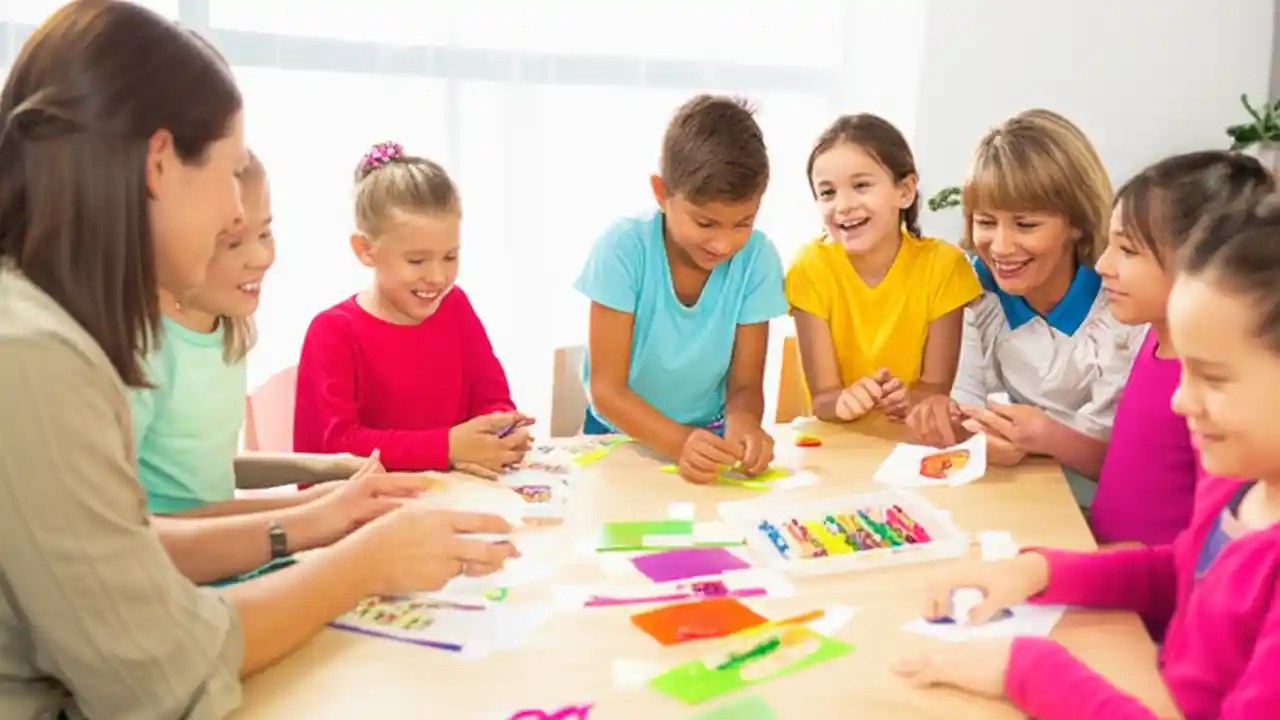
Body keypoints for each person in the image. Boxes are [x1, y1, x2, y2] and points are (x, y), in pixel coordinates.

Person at [0, 3, 513, 717]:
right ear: (158, 165)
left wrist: (313, 522)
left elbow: (123, 546)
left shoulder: (48, 326)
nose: (235, 222)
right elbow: (164, 672)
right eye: (231, 171)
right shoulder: (31, 357)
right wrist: (363, 563)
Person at [894, 191, 1280, 720]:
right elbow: (1184, 573)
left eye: (1213, 377)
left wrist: (1023, 668)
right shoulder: (1239, 484)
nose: (1180, 399)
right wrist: (1035, 572)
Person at [131, 151, 411, 584]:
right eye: (232, 242)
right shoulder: (143, 353)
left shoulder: (227, 331)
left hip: (229, 560)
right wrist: (317, 509)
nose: (261, 257)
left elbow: (206, 469)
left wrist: (329, 469)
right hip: (179, 580)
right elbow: (156, 522)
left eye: (265, 233)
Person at [908, 109, 1144, 498]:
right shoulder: (972, 295)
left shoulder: (1121, 309)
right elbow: (965, 406)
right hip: (1005, 497)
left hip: (1094, 512)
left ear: (1077, 222)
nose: (1000, 247)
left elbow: (1127, 466)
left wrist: (1045, 437)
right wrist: (944, 418)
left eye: (1026, 225)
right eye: (986, 222)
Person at [574, 94, 788, 484]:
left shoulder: (758, 259)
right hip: (616, 438)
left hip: (708, 437)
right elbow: (606, 390)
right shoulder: (623, 248)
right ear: (661, 192)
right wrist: (678, 441)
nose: (723, 244)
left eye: (743, 222)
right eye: (705, 223)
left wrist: (745, 425)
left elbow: (744, 385)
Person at [294, 142, 531, 477]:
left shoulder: (455, 305)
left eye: (450, 256)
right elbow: (335, 448)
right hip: (370, 516)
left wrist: (501, 430)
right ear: (365, 250)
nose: (438, 277)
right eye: (416, 260)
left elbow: (491, 395)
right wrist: (447, 448)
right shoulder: (333, 332)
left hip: (454, 498)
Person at [1090, 151, 1274, 546]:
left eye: (1128, 250)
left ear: (1200, 259)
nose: (1103, 264)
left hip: (1154, 601)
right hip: (1116, 579)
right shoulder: (1153, 341)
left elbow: (1206, 558)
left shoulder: (1218, 397)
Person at [785, 114, 980, 423]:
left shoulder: (944, 266)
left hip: (910, 442)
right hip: (837, 447)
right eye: (827, 192)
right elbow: (823, 399)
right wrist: (844, 401)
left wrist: (910, 398)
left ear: (905, 191)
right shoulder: (810, 267)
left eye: (861, 185)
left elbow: (935, 389)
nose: (843, 205)